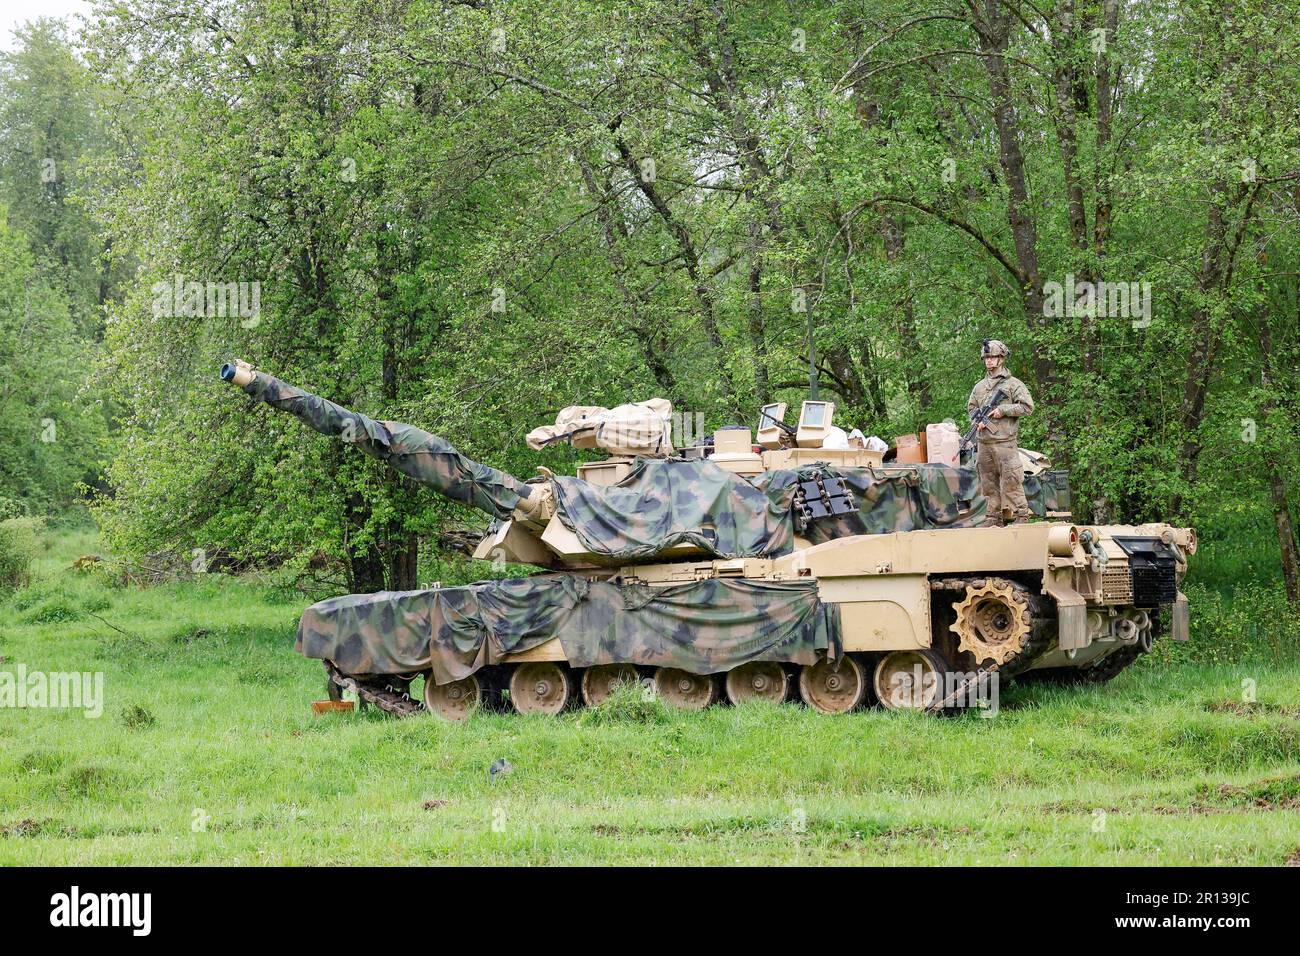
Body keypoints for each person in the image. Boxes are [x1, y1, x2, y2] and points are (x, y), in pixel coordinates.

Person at [966, 340, 1034, 527]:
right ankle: (992, 517)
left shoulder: (1013, 384)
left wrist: (1003, 410)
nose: (989, 361)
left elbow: (1027, 407)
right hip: (984, 443)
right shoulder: (979, 387)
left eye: (993, 357)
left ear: (1001, 359)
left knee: (1012, 480)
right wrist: (977, 420)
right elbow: (972, 408)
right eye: (986, 357)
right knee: (988, 484)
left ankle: (1022, 515)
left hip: (1005, 442)